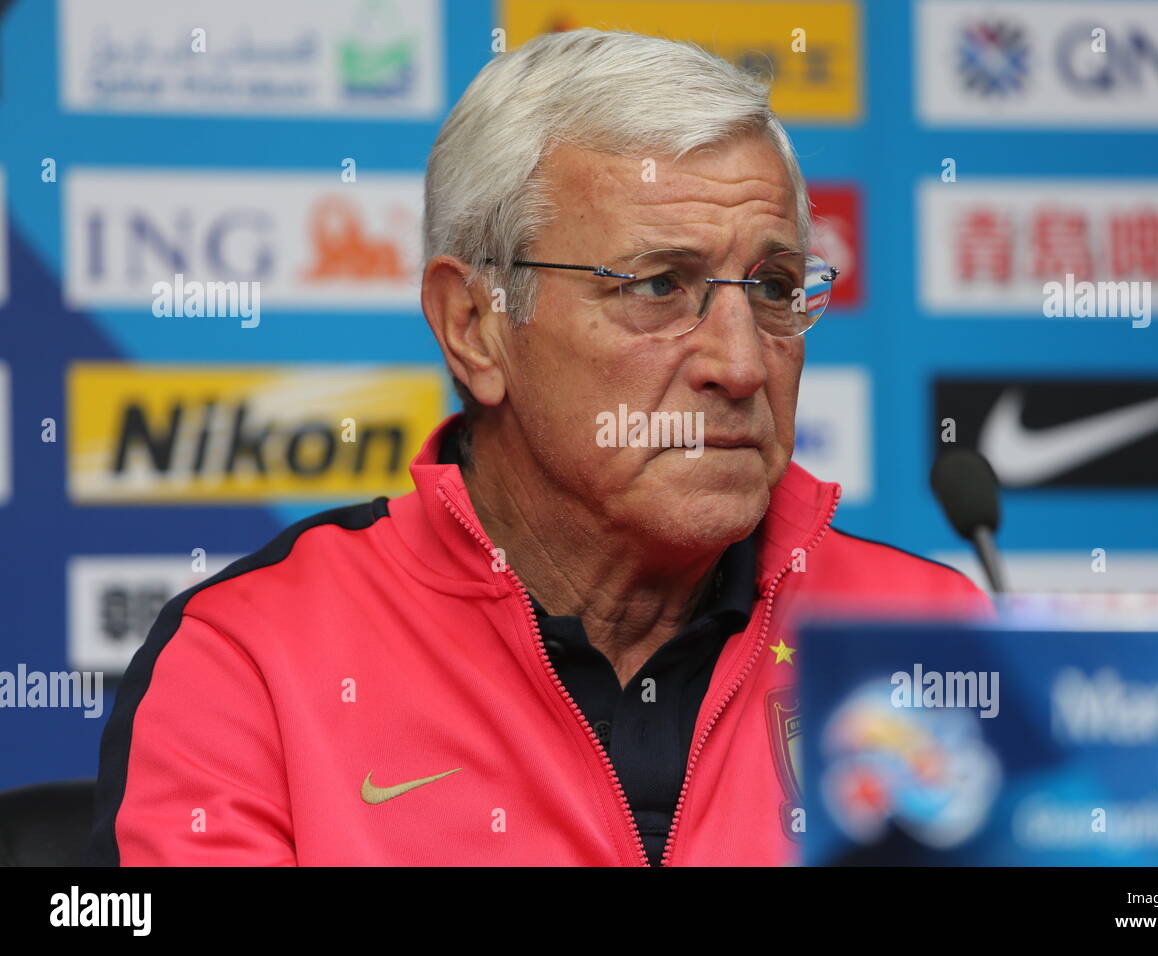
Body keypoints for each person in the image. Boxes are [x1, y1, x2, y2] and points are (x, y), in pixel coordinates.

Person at [86, 28, 984, 867]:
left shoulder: (935, 636)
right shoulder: (249, 661)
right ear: (476, 326)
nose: (742, 362)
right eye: (660, 286)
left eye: (776, 286)